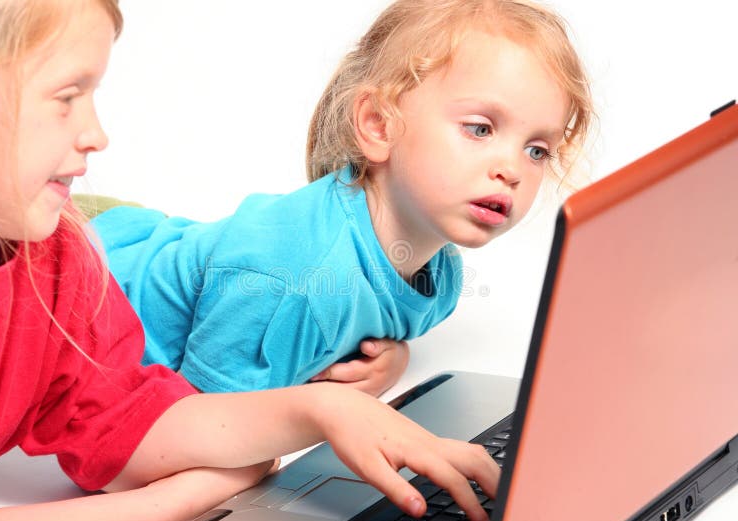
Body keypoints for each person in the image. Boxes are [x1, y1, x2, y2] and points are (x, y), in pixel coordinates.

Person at [0, 0, 502, 521]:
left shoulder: (58, 262)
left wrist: (321, 410)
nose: (97, 134)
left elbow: (122, 420)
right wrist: (174, 503)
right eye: (66, 97)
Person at [91, 0, 595, 396]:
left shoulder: (439, 274)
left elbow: (361, 315)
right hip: (88, 275)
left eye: (537, 150)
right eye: (480, 128)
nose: (511, 169)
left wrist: (392, 356)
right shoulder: (295, 280)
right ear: (378, 125)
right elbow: (199, 421)